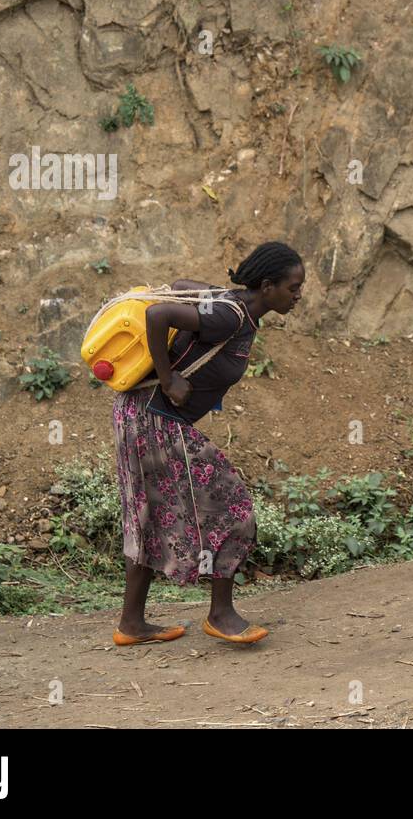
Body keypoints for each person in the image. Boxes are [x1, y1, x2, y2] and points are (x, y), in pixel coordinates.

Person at [110, 242, 305, 644]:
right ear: (267, 286)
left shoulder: (234, 307)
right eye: (293, 287)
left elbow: (181, 284)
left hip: (140, 415)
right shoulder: (230, 316)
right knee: (231, 504)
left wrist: (213, 293)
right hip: (152, 417)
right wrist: (169, 379)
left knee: (147, 513)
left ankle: (131, 624)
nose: (298, 295)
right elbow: (158, 312)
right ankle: (221, 614)